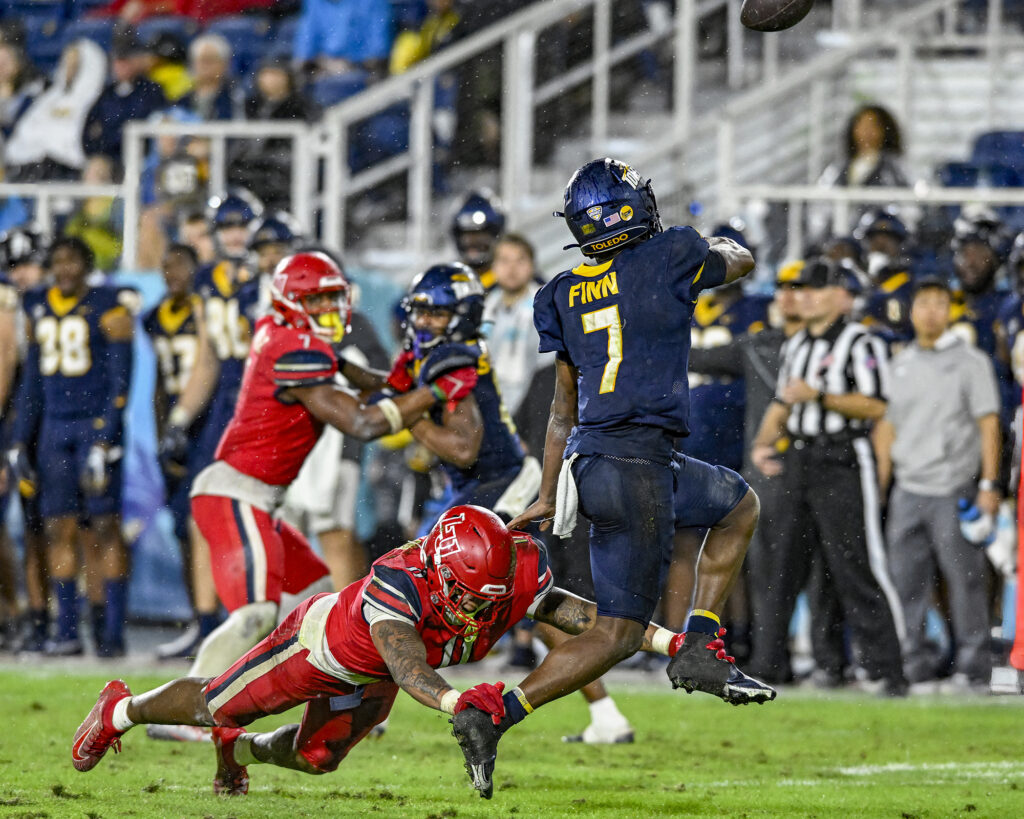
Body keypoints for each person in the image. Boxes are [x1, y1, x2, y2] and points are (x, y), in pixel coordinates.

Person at [449, 158, 774, 799]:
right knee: (619, 632)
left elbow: (562, 408)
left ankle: (699, 645)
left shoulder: (560, 292)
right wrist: (715, 241)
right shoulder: (670, 254)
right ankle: (499, 713)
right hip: (640, 462)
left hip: (592, 462)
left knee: (736, 506)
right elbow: (740, 260)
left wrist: (548, 492)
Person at [71, 505, 695, 792]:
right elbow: (407, 665)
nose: (479, 609)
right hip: (319, 651)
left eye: (491, 597)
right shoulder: (398, 583)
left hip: (373, 678)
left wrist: (671, 640)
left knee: (316, 760)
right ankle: (119, 710)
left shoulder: (513, 566)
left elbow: (586, 617)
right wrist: (457, 704)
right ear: (440, 571)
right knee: (215, 705)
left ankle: (241, 753)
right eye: (467, 595)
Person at [166, 252, 479, 697]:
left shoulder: (286, 333)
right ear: (290, 302)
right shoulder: (294, 347)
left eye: (333, 298)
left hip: (260, 499)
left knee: (320, 608)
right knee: (256, 615)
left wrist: (407, 382)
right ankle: (189, 711)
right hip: (235, 493)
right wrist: (433, 391)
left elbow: (356, 375)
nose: (330, 309)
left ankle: (330, 708)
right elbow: (362, 423)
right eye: (317, 300)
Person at [750, 257, 906, 694]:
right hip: (799, 459)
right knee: (783, 567)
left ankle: (886, 669)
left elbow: (876, 405)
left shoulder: (861, 342)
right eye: (802, 289)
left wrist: (819, 396)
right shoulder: (797, 344)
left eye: (816, 289)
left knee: (854, 566)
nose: (805, 297)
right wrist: (762, 445)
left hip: (842, 459)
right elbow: (783, 403)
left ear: (842, 296)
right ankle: (769, 666)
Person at [6, 237, 136, 656]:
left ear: (87, 265)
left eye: (72, 261)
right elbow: (32, 384)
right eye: (58, 262)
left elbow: (120, 380)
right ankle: (66, 630)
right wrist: (19, 441)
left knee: (104, 527)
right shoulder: (38, 306)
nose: (64, 269)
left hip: (94, 427)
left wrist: (105, 438)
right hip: (55, 431)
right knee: (56, 528)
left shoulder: (108, 306)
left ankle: (110, 631)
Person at [874, 277, 999, 693]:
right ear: (912, 312)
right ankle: (914, 667)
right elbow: (887, 427)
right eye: (924, 303)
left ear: (950, 311)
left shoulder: (971, 361)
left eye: (939, 304)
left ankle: (973, 669)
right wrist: (881, 488)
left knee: (965, 581)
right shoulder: (900, 363)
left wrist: (989, 484)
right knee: (904, 583)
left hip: (953, 486)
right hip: (907, 488)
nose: (931, 312)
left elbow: (988, 424)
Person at [687, 261, 806, 681]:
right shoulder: (757, 344)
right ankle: (770, 657)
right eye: (784, 287)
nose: (790, 295)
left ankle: (841, 659)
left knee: (831, 573)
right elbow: (699, 356)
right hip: (770, 473)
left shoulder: (842, 344)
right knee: (768, 569)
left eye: (801, 287)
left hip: (825, 468)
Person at [388, 262, 541, 531]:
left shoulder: (452, 359)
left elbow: (463, 450)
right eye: (420, 312)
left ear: (464, 315)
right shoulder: (447, 351)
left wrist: (404, 413)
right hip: (491, 482)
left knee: (440, 547)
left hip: (500, 484)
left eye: (436, 313)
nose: (423, 321)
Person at [141, 244, 217, 660]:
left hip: (208, 424)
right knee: (185, 528)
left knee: (206, 525)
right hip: (177, 427)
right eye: (166, 267)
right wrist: (163, 434)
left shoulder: (207, 310)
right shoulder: (156, 317)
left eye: (180, 266)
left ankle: (215, 623)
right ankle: (199, 620)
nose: (172, 274)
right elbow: (158, 382)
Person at [0, 226, 49, 651]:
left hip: (45, 429)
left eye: (28, 264)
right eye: (13, 265)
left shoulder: (45, 306)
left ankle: (40, 617)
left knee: (45, 527)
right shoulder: (15, 303)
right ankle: (19, 615)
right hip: (16, 427)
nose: (21, 274)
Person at [4, 39, 107, 182]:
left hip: (68, 171)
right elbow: (25, 131)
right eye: (67, 64)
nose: (69, 71)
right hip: (30, 168)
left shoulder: (99, 102)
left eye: (75, 65)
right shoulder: (49, 97)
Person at [82, 27, 167, 166]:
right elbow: (90, 130)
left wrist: (111, 135)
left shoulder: (151, 90)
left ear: (136, 61)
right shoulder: (106, 93)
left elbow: (149, 124)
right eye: (117, 61)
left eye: (125, 60)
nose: (121, 66)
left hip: (140, 158)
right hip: (108, 158)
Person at [292, 0, 392, 80]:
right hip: (325, 65)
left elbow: (378, 49)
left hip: (360, 68)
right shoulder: (314, 2)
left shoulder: (373, 2)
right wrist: (320, 63)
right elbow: (306, 43)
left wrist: (352, 64)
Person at [176, 34, 238, 121]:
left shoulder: (236, 96)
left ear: (225, 64)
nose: (206, 65)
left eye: (211, 59)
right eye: (202, 60)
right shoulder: (182, 98)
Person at [451, 191, 505, 290]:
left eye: (480, 235)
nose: (473, 242)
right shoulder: (450, 281)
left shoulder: (512, 280)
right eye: (467, 235)